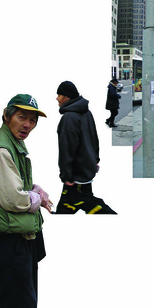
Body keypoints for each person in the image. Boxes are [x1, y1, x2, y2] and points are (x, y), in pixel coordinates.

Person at [0, 94, 52, 308]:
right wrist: (35, 198)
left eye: (32, 120)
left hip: (22, 234)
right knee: (16, 299)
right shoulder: (2, 149)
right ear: (7, 116)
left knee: (25, 294)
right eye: (22, 117)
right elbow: (13, 198)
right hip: (10, 238)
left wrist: (35, 189)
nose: (27, 125)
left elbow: (17, 185)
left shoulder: (14, 145)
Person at [53, 81, 115, 215]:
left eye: (59, 95)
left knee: (85, 204)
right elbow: (94, 138)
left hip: (76, 176)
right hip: (86, 171)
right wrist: (95, 160)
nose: (57, 98)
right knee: (69, 206)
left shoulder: (69, 118)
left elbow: (66, 150)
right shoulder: (86, 113)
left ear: (67, 97)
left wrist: (66, 176)